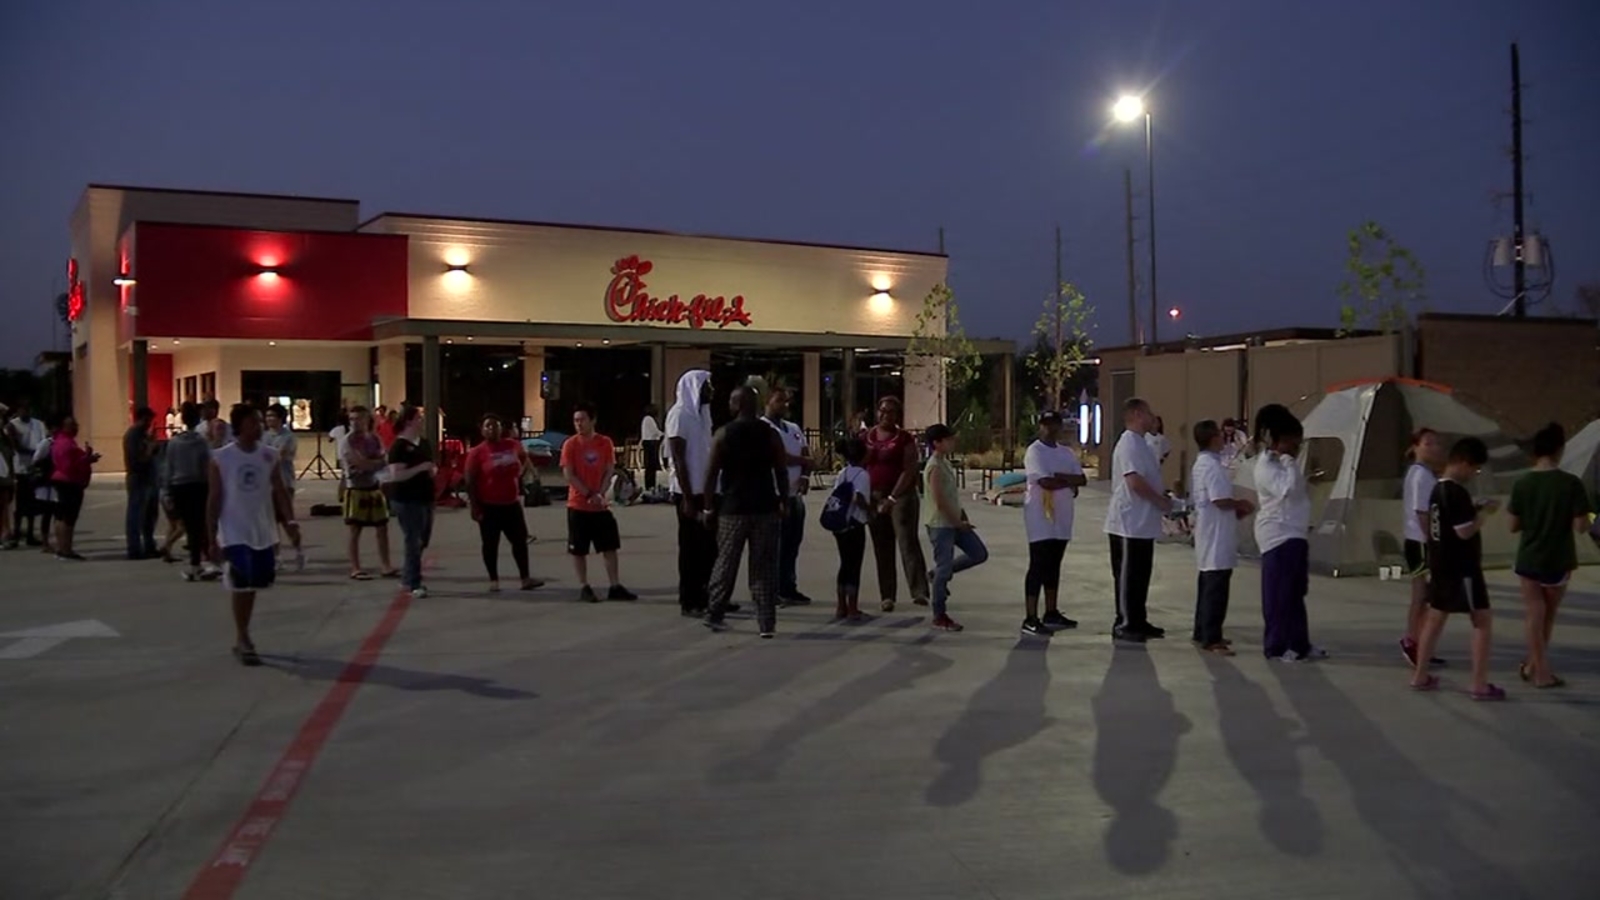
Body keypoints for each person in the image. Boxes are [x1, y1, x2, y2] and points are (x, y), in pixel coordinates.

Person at [1410, 437, 1503, 699]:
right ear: (1463, 463)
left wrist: (1473, 508)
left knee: (1435, 617)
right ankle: (1479, 683)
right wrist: (1484, 515)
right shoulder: (1456, 492)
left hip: (1440, 562)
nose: (1473, 474)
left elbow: (1446, 522)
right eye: (1473, 469)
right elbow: (1464, 531)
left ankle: (1420, 675)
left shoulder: (1437, 491)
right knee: (1482, 620)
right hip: (1462, 568)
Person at [207, 404, 299, 666]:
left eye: (259, 422)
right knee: (241, 583)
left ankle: (244, 633)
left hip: (263, 530)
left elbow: (280, 491)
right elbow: (213, 499)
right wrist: (210, 535)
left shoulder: (269, 455)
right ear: (240, 426)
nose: (259, 426)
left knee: (254, 585)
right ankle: (243, 638)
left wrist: (290, 522)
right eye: (253, 422)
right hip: (234, 531)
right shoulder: (221, 458)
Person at [1508, 422, 1591, 689]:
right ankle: (1540, 671)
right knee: (1548, 615)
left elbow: (1513, 525)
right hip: (1559, 558)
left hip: (1530, 556)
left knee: (1534, 612)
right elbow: (1581, 526)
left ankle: (1535, 666)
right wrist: (1590, 514)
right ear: (1559, 449)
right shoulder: (1570, 484)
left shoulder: (1522, 483)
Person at [703, 386, 790, 637]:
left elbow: (711, 474)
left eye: (731, 400)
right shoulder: (770, 434)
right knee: (763, 567)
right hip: (765, 508)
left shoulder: (723, 434)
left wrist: (708, 507)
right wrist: (783, 499)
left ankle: (715, 612)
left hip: (733, 508)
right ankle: (766, 623)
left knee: (726, 563)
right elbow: (781, 470)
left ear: (738, 404)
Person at [1253, 404, 1327, 662]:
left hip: (1295, 534)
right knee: (1278, 595)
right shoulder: (1266, 466)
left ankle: (1300, 643)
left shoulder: (1286, 464)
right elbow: (1289, 490)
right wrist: (1288, 461)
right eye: (1291, 442)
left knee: (1296, 593)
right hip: (1277, 536)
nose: (1296, 447)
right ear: (1276, 441)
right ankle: (1275, 646)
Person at [1104, 398, 1172, 642]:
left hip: (1143, 523)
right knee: (1127, 575)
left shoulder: (1143, 443)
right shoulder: (1129, 443)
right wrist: (1158, 500)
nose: (1152, 417)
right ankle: (1124, 622)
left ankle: (1138, 619)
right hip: (1128, 523)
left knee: (1141, 574)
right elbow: (1134, 481)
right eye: (1148, 413)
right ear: (1135, 414)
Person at [1022, 410, 1089, 636]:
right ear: (1040, 426)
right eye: (1045, 424)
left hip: (1062, 516)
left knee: (1054, 564)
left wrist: (1061, 477)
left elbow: (1082, 479)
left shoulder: (1066, 453)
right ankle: (1030, 616)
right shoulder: (1034, 451)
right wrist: (1066, 480)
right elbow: (1045, 481)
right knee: (1038, 564)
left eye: (1054, 424)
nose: (1049, 429)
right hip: (1040, 515)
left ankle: (1051, 611)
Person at [1191, 419, 1254, 655]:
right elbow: (1218, 499)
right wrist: (1241, 505)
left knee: (1207, 582)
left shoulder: (1204, 464)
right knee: (1216, 586)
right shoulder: (1212, 467)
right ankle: (1211, 637)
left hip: (1211, 530)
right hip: (1215, 533)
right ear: (1213, 438)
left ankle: (1201, 631)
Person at [561, 402, 636, 602]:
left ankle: (615, 585)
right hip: (578, 504)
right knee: (579, 549)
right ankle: (584, 586)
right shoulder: (570, 444)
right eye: (576, 420)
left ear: (592, 420)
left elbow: (609, 469)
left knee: (609, 546)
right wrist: (588, 494)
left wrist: (601, 494)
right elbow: (569, 474)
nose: (579, 424)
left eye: (582, 420)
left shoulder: (605, 442)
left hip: (600, 504)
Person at [864, 395, 930, 612]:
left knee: (906, 542)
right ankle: (887, 596)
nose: (885, 415)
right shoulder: (867, 436)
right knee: (882, 546)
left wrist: (892, 498)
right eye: (882, 410)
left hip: (901, 496)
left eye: (890, 411)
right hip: (873, 495)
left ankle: (919, 591)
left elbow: (910, 469)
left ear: (897, 415)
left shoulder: (904, 439)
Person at [465, 414, 544, 592]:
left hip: (511, 504)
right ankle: (494, 580)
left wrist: (523, 475)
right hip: (489, 505)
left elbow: (524, 459)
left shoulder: (512, 445)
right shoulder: (477, 452)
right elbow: (470, 481)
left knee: (519, 542)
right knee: (490, 544)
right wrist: (474, 506)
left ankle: (525, 578)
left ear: (502, 428)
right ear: (482, 430)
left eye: (495, 426)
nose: (492, 429)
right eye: (488, 426)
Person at [666, 369, 720, 616]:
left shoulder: (704, 415)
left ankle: (710, 595)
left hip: (706, 490)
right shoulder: (679, 415)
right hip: (688, 493)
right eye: (707, 386)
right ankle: (690, 600)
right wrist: (687, 498)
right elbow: (678, 458)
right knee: (690, 548)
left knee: (710, 547)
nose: (712, 391)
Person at [923, 423, 986, 632]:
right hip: (941, 524)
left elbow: (951, 496)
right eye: (948, 439)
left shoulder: (945, 463)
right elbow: (940, 501)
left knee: (978, 553)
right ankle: (939, 614)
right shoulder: (934, 467)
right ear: (937, 443)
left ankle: (939, 573)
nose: (952, 442)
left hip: (954, 521)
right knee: (943, 568)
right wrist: (958, 523)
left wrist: (961, 517)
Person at [763, 387, 814, 607]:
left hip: (795, 495)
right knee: (774, 545)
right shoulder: (763, 428)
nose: (784, 405)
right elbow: (776, 457)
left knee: (792, 543)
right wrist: (802, 462)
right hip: (774, 495)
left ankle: (788, 586)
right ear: (768, 402)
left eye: (786, 401)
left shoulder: (793, 428)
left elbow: (806, 453)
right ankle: (771, 589)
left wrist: (805, 474)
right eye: (779, 401)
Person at [1400, 428, 1446, 667]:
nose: (1434, 448)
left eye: (1436, 444)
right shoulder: (1420, 476)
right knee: (1420, 595)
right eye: (1428, 443)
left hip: (1422, 540)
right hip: (1420, 542)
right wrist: (1433, 541)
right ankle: (1411, 640)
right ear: (1416, 447)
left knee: (1427, 596)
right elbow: (1422, 512)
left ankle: (1422, 642)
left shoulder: (1427, 474)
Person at [386, 403, 437, 598]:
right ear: (409, 421)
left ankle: (408, 577)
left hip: (425, 497)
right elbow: (396, 475)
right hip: (406, 499)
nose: (421, 421)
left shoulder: (423, 443)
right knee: (413, 539)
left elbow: (430, 465)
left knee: (422, 539)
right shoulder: (399, 447)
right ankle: (414, 582)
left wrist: (432, 471)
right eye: (418, 418)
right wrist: (420, 468)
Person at [340, 406, 396, 579]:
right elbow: (359, 463)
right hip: (355, 488)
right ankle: (355, 567)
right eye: (352, 419)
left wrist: (370, 463)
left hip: (373, 486)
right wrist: (372, 463)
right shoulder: (346, 442)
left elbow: (384, 460)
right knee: (355, 529)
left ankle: (386, 565)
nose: (355, 423)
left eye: (358, 419)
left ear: (367, 420)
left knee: (382, 527)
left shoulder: (374, 439)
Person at [166, 402, 218, 581]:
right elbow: (207, 465)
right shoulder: (202, 443)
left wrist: (167, 491)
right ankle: (204, 561)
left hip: (180, 486)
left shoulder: (174, 443)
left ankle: (196, 563)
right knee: (201, 525)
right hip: (199, 485)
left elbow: (169, 468)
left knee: (190, 527)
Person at [827, 436, 872, 622]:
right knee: (854, 565)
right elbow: (858, 498)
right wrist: (871, 510)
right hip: (855, 523)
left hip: (840, 524)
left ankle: (841, 606)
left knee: (844, 564)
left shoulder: (843, 473)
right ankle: (853, 607)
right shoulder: (862, 475)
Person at [7, 400, 48, 548]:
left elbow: (44, 441)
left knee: (32, 504)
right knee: (20, 504)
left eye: (27, 409)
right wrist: (34, 452)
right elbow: (15, 446)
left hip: (34, 468)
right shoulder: (13, 425)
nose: (24, 412)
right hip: (20, 469)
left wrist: (39, 456)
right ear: (17, 411)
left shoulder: (38, 424)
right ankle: (16, 534)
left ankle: (30, 534)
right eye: (21, 410)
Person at [122, 406, 160, 559]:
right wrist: (150, 450)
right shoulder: (132, 435)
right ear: (142, 418)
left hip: (149, 478)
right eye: (148, 420)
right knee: (136, 515)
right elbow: (136, 460)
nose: (149, 423)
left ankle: (149, 545)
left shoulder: (144, 435)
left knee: (150, 516)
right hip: (138, 479)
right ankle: (134, 548)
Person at [0, 403, 15, 549]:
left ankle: (5, 533)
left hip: (4, 476)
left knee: (5, 505)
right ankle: (4, 535)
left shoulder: (5, 436)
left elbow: (10, 455)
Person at [640, 404, 663, 492]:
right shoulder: (649, 419)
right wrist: (663, 434)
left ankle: (650, 484)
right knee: (651, 465)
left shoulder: (646, 419)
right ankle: (650, 484)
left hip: (648, 443)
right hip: (650, 443)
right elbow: (654, 431)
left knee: (650, 465)